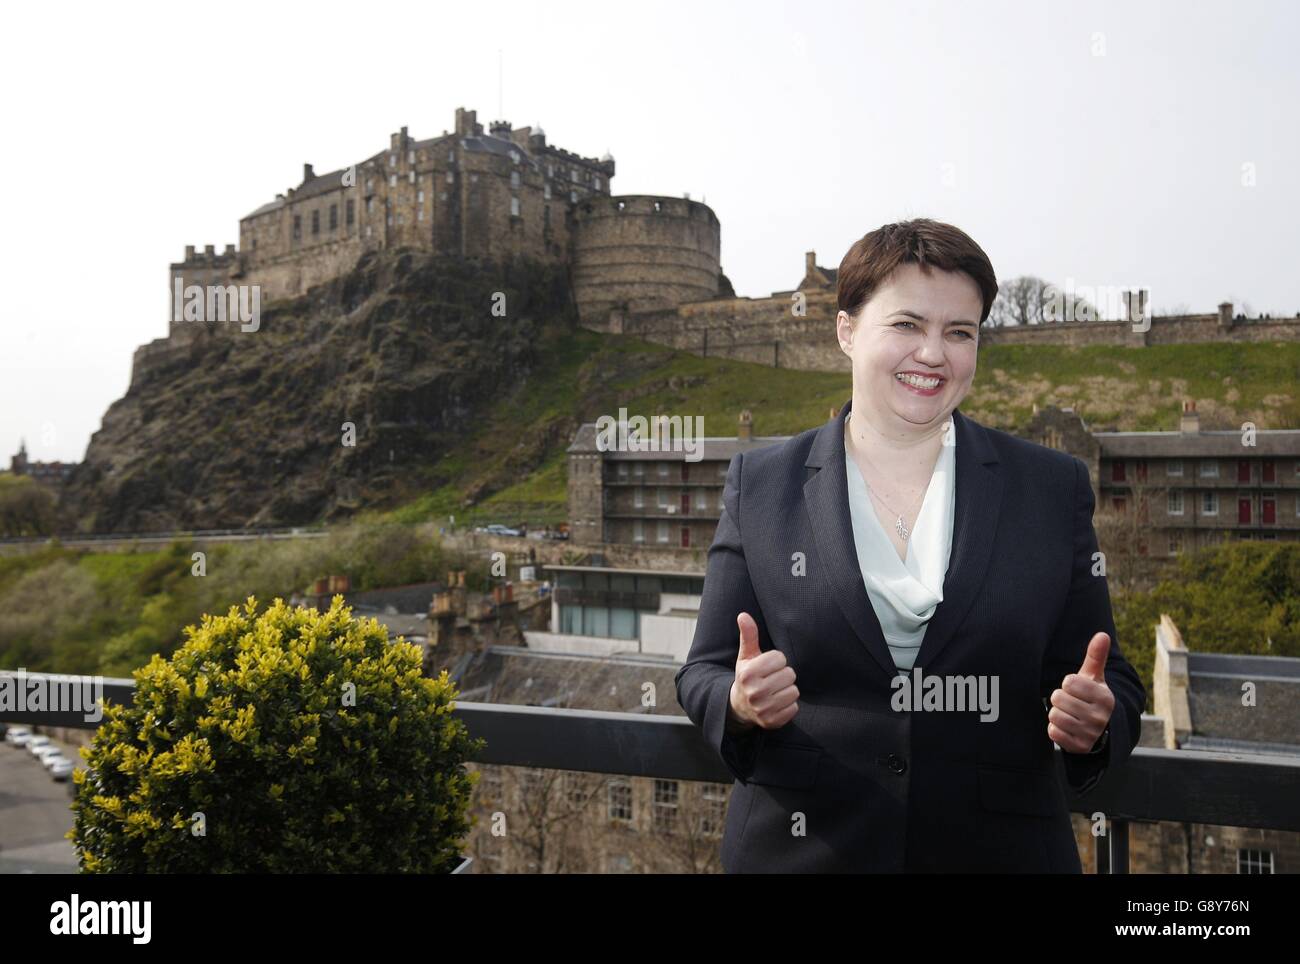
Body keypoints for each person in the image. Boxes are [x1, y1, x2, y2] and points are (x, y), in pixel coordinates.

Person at [674, 218, 1145, 873]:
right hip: (802, 853)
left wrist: (1097, 718)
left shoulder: (1051, 486)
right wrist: (738, 702)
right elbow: (703, 672)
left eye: (959, 333)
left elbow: (1109, 677)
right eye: (906, 325)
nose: (932, 354)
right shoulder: (762, 485)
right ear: (846, 331)